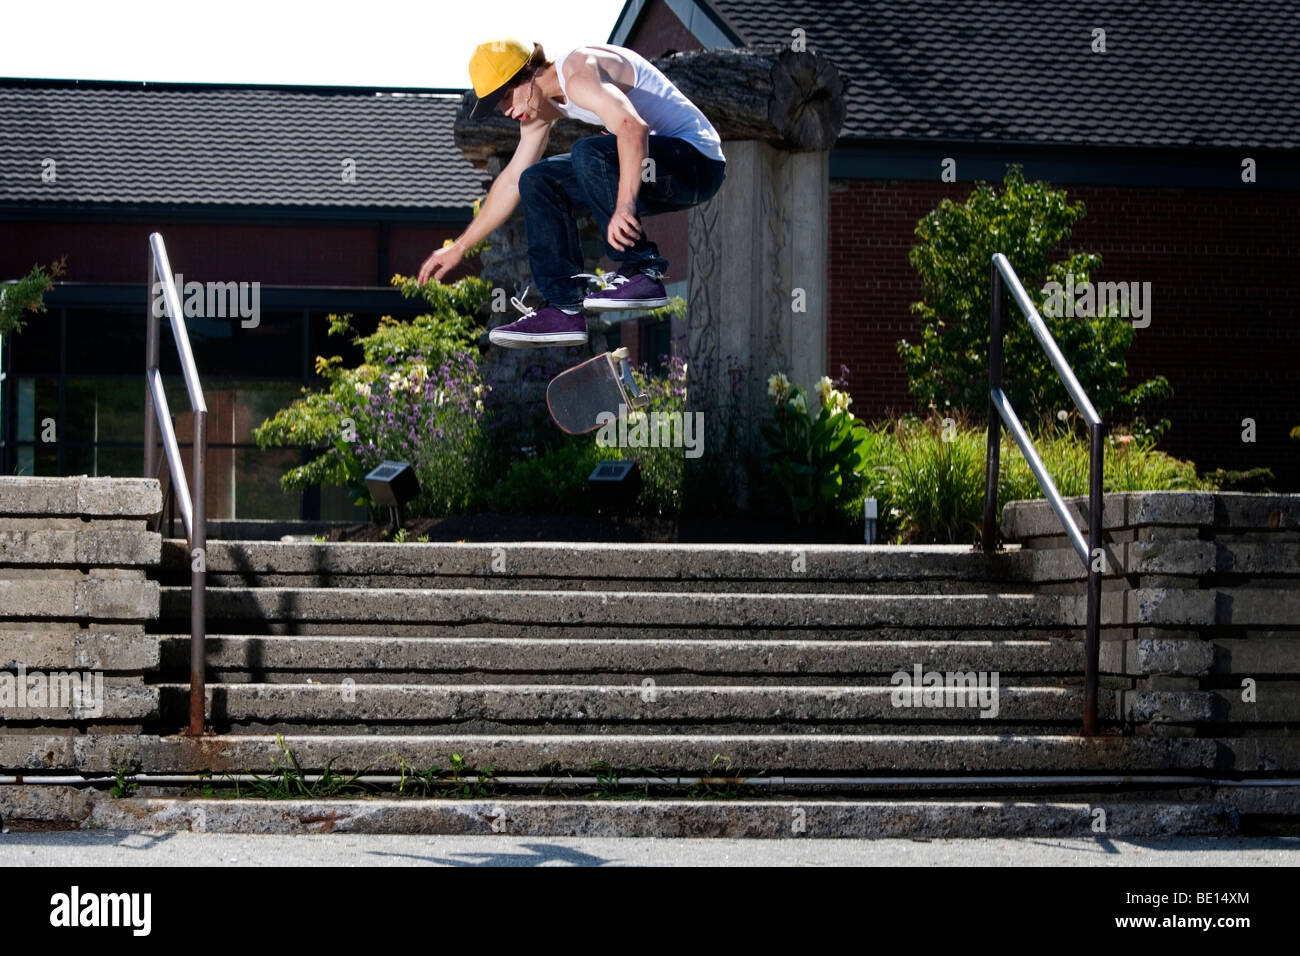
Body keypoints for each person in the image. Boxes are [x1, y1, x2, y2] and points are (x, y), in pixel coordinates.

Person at [417, 37, 727, 348]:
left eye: (507, 97)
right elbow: (511, 182)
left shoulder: (577, 72)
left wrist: (623, 206)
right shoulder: (541, 109)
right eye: (499, 105)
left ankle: (642, 271)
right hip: (659, 167)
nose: (508, 111)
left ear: (528, 72)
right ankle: (563, 307)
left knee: (588, 152)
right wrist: (459, 248)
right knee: (536, 180)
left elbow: (634, 128)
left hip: (696, 162)